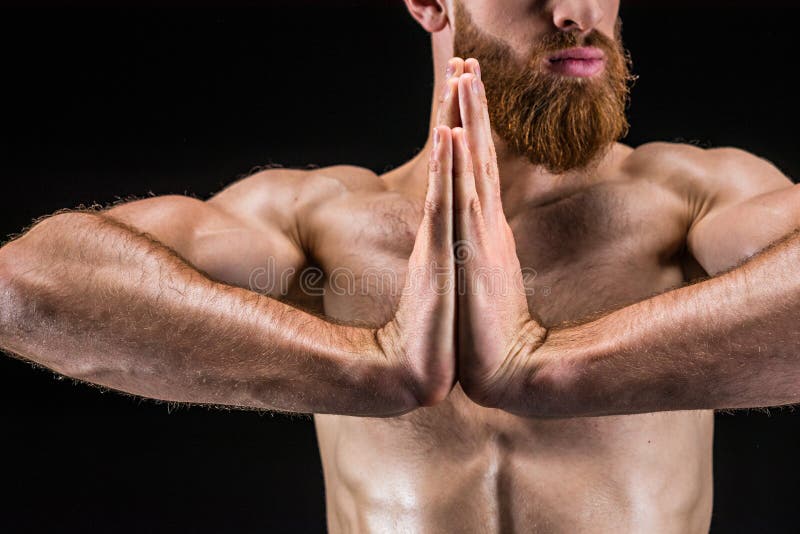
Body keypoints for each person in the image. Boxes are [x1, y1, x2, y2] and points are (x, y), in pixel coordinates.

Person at [0, 0, 798, 531]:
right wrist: (369, 366)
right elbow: (21, 285)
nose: (576, 13)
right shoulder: (323, 227)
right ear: (430, 1)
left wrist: (550, 368)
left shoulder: (691, 207)